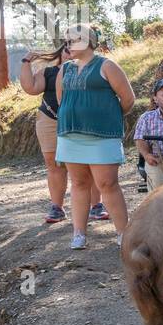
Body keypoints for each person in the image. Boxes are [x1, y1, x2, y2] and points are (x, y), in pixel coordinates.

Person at [54, 24, 136, 250]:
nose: (68, 43)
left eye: (73, 38)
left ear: (88, 40)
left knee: (107, 184)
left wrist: (106, 116)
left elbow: (128, 99)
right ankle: (79, 234)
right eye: (66, 39)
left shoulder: (107, 66)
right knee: (79, 183)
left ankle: (123, 234)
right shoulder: (65, 69)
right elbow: (62, 101)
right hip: (71, 135)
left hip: (102, 136)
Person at [20, 42, 100, 223]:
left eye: (74, 48)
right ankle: (57, 208)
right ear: (61, 51)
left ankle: (96, 205)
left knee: (89, 162)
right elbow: (30, 88)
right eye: (67, 48)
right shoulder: (49, 72)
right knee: (53, 164)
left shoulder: (91, 70)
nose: (70, 52)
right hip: (50, 118)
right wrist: (26, 61)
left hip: (81, 120)